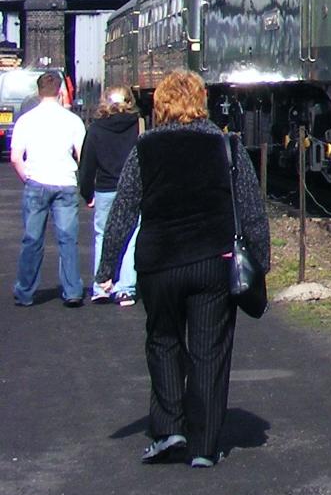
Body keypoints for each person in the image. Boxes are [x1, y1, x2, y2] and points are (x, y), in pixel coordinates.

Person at [96, 70, 270, 468]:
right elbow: (252, 210)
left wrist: (107, 265)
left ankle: (169, 427)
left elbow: (123, 211)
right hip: (213, 262)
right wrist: (260, 261)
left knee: (163, 341)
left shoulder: (145, 149)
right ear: (201, 102)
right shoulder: (226, 146)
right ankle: (205, 446)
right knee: (210, 351)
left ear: (160, 105)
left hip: (159, 264)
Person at [12, 71, 86, 308]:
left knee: (32, 240)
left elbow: (15, 158)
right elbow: (81, 154)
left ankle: (25, 291)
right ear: (61, 92)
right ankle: (72, 290)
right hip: (65, 182)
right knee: (68, 239)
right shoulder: (73, 120)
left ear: (38, 91)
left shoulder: (25, 120)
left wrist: (28, 178)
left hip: (36, 182)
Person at [79, 87, 143, 305]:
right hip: (132, 189)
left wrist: (86, 193)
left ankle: (101, 286)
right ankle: (125, 288)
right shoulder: (138, 126)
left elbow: (87, 165)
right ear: (130, 100)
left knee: (103, 236)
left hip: (105, 189)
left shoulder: (96, 129)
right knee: (131, 237)